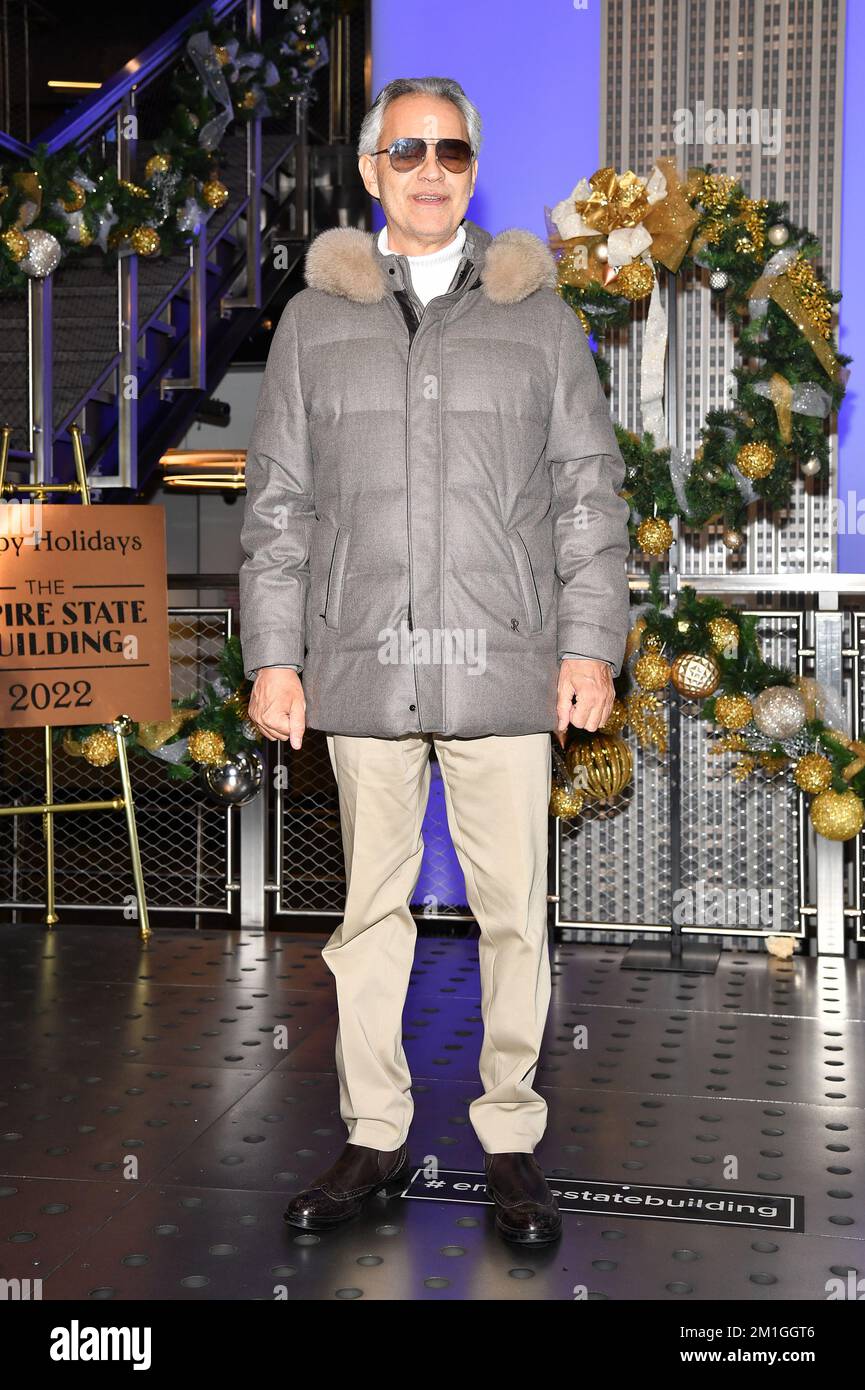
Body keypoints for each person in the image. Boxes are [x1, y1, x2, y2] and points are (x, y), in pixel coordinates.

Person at [239, 76, 631, 1246]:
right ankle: (373, 1135)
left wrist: (590, 643)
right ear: (370, 170)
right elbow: (278, 508)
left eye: (450, 150)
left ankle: (508, 1141)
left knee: (514, 916)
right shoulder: (315, 321)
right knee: (369, 918)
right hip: (359, 666)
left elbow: (586, 499)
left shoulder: (536, 315)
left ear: (471, 168)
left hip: (502, 666)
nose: (428, 168)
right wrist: (273, 656)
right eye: (405, 149)